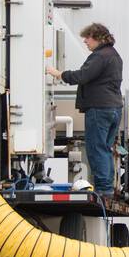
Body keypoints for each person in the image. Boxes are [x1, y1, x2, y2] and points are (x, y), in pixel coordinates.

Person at [46, 23, 123, 196]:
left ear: (97, 37)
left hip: (99, 108)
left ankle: (103, 189)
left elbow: (82, 76)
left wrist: (58, 73)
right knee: (105, 148)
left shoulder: (100, 56)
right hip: (114, 108)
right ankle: (107, 187)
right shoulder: (114, 56)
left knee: (96, 148)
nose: (85, 42)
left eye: (87, 38)